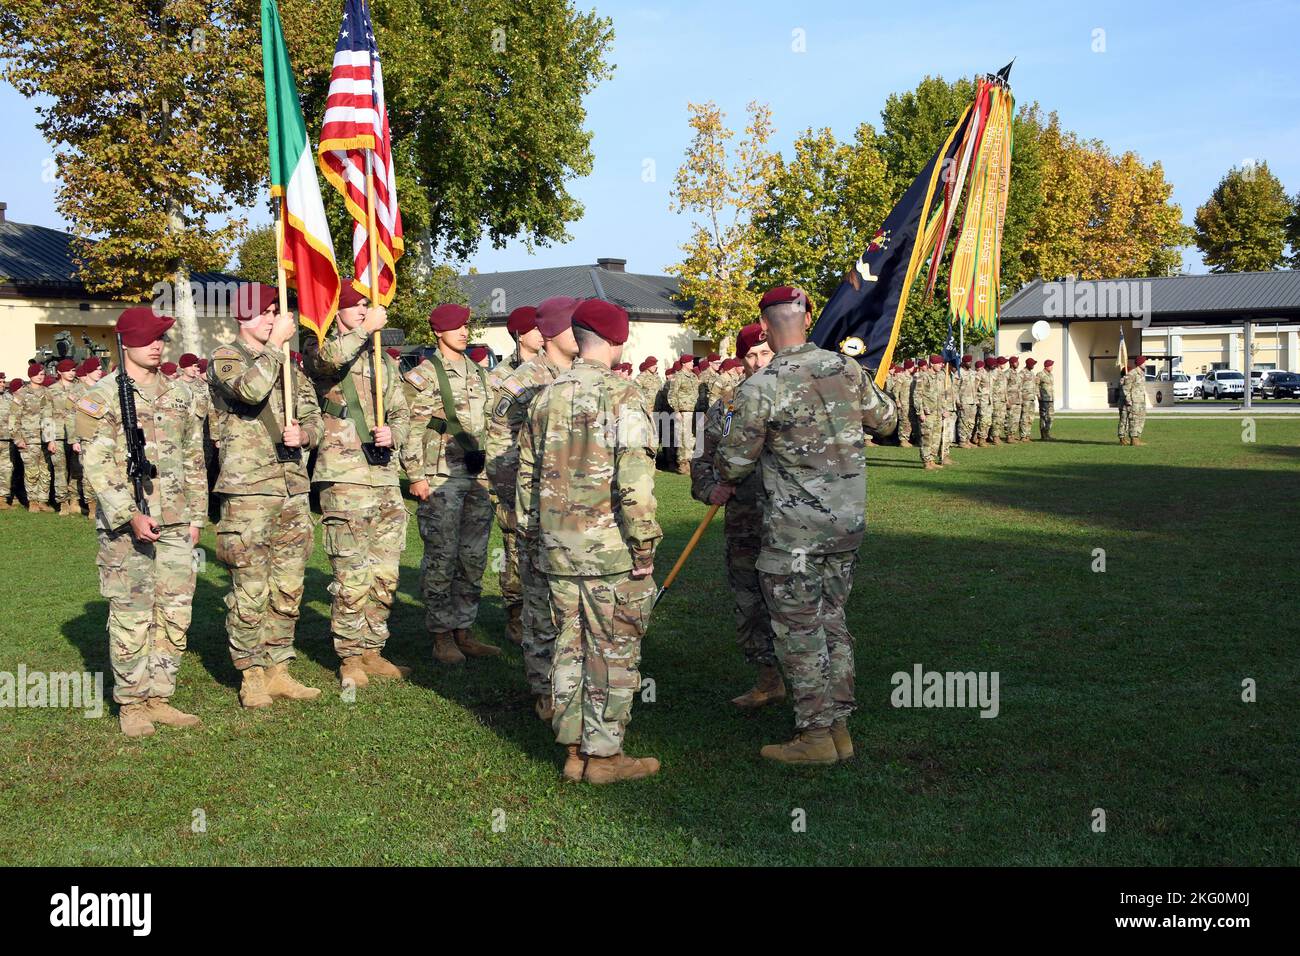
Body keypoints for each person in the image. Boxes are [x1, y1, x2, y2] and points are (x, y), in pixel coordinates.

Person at [716, 286, 897, 765]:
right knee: (832, 622)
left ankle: (815, 735)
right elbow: (887, 420)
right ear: (808, 317)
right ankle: (838, 726)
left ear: (766, 323)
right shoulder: (847, 368)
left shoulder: (762, 385)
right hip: (846, 525)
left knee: (799, 630)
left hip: (795, 532)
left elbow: (733, 464)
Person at [517, 298, 662, 784]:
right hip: (611, 551)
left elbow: (526, 479)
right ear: (618, 340)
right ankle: (604, 758)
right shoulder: (624, 396)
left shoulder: (544, 395)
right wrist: (644, 543)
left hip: (556, 548)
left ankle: (575, 750)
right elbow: (636, 483)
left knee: (569, 649)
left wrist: (531, 537)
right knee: (613, 652)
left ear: (579, 338)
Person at [77, 307, 207, 738]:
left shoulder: (180, 393)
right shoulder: (100, 395)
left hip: (176, 520)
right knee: (132, 614)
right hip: (125, 524)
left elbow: (194, 459)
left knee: (174, 610)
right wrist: (129, 513)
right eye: (149, 338)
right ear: (125, 343)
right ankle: (132, 703)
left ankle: (160, 696)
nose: (157, 345)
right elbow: (95, 465)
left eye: (161, 339)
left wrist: (197, 516)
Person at [208, 282, 324, 708]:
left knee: (289, 586)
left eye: (276, 312)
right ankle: (251, 673)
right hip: (248, 491)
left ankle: (279, 668)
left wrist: (306, 433)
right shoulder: (226, 359)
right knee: (250, 588)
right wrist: (275, 348)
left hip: (292, 486)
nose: (273, 320)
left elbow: (315, 417)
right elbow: (250, 392)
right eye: (264, 313)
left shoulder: (290, 367)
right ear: (242, 317)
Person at [302, 282, 416, 689]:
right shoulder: (320, 346)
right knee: (351, 575)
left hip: (383, 476)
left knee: (384, 572)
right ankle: (349, 656)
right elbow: (329, 362)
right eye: (358, 306)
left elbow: (402, 412)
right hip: (345, 475)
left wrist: (394, 434)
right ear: (338, 312)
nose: (366, 311)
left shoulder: (383, 359)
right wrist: (365, 331)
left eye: (369, 305)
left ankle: (373, 648)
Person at [488, 297, 581, 717]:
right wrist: (514, 506)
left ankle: (574, 684)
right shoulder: (524, 382)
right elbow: (500, 445)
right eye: (571, 326)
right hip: (535, 511)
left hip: (576, 511)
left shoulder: (581, 376)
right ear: (550, 333)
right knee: (540, 604)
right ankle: (544, 690)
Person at [690, 323, 782, 710]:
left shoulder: (795, 398)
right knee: (749, 603)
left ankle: (813, 686)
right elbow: (701, 458)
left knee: (795, 604)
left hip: (791, 523)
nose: (759, 362)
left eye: (765, 354)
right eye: (751, 355)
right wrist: (710, 488)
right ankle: (768, 679)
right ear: (741, 360)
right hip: (744, 522)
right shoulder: (725, 406)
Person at [406, 302, 499, 664]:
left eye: (465, 325)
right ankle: (442, 635)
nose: (464, 331)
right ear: (438, 332)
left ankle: (465, 629)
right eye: (456, 326)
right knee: (442, 558)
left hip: (477, 479)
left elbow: (491, 423)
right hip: (441, 477)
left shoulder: (478, 374)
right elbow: (411, 428)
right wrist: (416, 475)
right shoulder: (425, 376)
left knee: (472, 559)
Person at [484, 305, 544, 646]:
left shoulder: (549, 370)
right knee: (513, 548)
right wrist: (503, 491)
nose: (542, 333)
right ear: (521, 335)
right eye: (535, 329)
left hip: (543, 478)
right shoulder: (500, 379)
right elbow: (496, 434)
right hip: (512, 473)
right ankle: (515, 614)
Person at [44, 358, 82, 515]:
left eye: (73, 370)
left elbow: (89, 408)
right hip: (58, 435)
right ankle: (62, 502)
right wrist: (49, 439)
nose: (71, 373)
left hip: (77, 435)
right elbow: (46, 415)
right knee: (60, 469)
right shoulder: (51, 390)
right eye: (68, 370)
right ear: (59, 372)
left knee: (76, 469)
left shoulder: (80, 389)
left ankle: (75, 499)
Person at [13, 362, 53, 511]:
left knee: (45, 471)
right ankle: (33, 501)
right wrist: (17, 438)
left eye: (43, 374)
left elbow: (49, 417)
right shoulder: (21, 394)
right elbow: (14, 418)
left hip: (44, 439)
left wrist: (51, 440)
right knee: (31, 471)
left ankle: (43, 500)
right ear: (31, 375)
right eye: (38, 374)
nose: (40, 377)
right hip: (28, 439)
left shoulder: (47, 393)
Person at [667, 352, 700, 475]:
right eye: (691, 361)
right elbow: (672, 395)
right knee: (683, 437)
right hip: (683, 411)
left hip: (693, 410)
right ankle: (683, 463)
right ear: (685, 363)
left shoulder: (693, 376)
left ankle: (689, 461)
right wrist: (676, 411)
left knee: (690, 438)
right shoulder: (678, 376)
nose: (693, 363)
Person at [1118, 355, 1148, 446]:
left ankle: (1137, 437)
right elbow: (1126, 388)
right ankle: (1133, 439)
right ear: (1139, 363)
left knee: (1140, 419)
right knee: (1133, 420)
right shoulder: (1132, 373)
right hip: (1133, 401)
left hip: (1140, 401)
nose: (1145, 364)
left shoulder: (1141, 373)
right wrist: (1129, 401)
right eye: (1144, 362)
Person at [0, 377, 17, 508]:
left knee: (6, 468)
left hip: (6, 439)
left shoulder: (9, 398)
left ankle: (2, 498)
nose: (2, 384)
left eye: (3, 381)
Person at [955, 355, 978, 448]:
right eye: (968, 362)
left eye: (971, 361)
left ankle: (968, 439)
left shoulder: (973, 373)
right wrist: (957, 401)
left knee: (971, 422)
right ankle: (962, 440)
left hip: (973, 401)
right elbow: (955, 388)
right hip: (963, 401)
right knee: (963, 421)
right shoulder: (959, 373)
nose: (970, 363)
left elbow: (976, 386)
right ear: (964, 362)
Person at [1004, 355, 1023, 443]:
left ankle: (1013, 435)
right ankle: (1009, 436)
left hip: (1017, 400)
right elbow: (1004, 387)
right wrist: (1006, 400)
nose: (1017, 363)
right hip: (1011, 400)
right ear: (1011, 363)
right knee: (1010, 419)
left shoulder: (1017, 374)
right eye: (1016, 362)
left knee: (1016, 419)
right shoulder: (1007, 373)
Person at [973, 359, 992, 446]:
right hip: (982, 400)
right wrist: (976, 399)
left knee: (988, 421)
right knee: (983, 420)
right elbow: (975, 387)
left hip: (988, 400)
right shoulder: (980, 373)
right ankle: (981, 439)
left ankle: (983, 437)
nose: (994, 366)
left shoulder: (989, 374)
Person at [1020, 358, 1038, 441]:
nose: (1033, 365)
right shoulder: (1022, 373)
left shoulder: (1032, 373)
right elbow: (1019, 386)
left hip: (1031, 399)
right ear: (1028, 364)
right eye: (1032, 364)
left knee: (1031, 417)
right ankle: (1023, 436)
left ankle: (1028, 434)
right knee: (1024, 417)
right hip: (1025, 398)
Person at [1037, 359, 1056, 440]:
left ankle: (1047, 433)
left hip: (1050, 399)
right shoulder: (1040, 374)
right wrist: (1038, 396)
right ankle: (1043, 435)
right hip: (1044, 399)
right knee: (1044, 417)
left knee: (1051, 417)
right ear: (1047, 366)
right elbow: (1036, 385)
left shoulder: (1051, 375)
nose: (1052, 367)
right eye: (1051, 365)